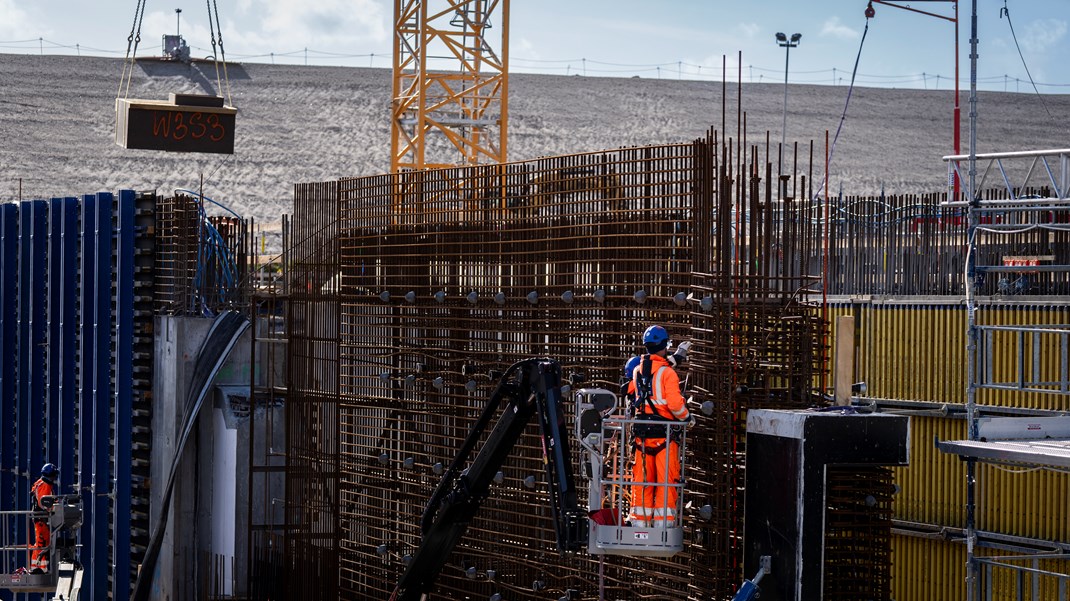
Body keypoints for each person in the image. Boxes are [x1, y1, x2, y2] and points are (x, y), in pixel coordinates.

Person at [625, 325, 692, 528]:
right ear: (664, 345)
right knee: (665, 481)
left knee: (643, 480)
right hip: (665, 435)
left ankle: (639, 522)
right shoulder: (668, 374)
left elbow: (646, 381)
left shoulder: (637, 371)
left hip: (642, 438)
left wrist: (676, 358)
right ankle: (664, 524)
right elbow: (675, 405)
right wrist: (687, 418)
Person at [29, 463, 57, 574]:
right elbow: (44, 503)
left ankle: (41, 567)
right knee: (41, 543)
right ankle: (37, 568)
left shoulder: (40, 483)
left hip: (41, 518)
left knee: (43, 543)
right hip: (41, 518)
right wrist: (54, 507)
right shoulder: (44, 485)